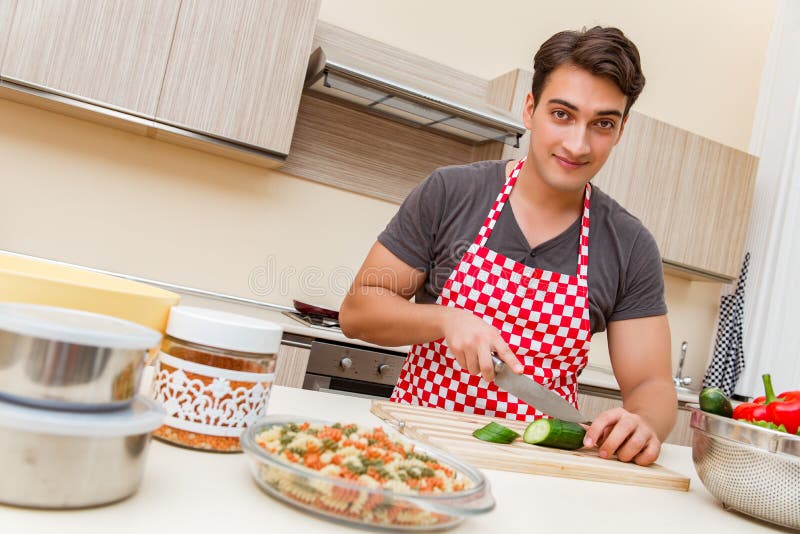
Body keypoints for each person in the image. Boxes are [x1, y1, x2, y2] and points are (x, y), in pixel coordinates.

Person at [339, 26, 676, 466]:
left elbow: (652, 385)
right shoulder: (450, 193)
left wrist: (645, 422)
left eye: (602, 124)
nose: (578, 143)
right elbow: (358, 311)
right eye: (562, 115)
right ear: (531, 109)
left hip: (540, 467)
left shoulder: (629, 245)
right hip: (417, 450)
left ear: (620, 130)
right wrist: (444, 318)